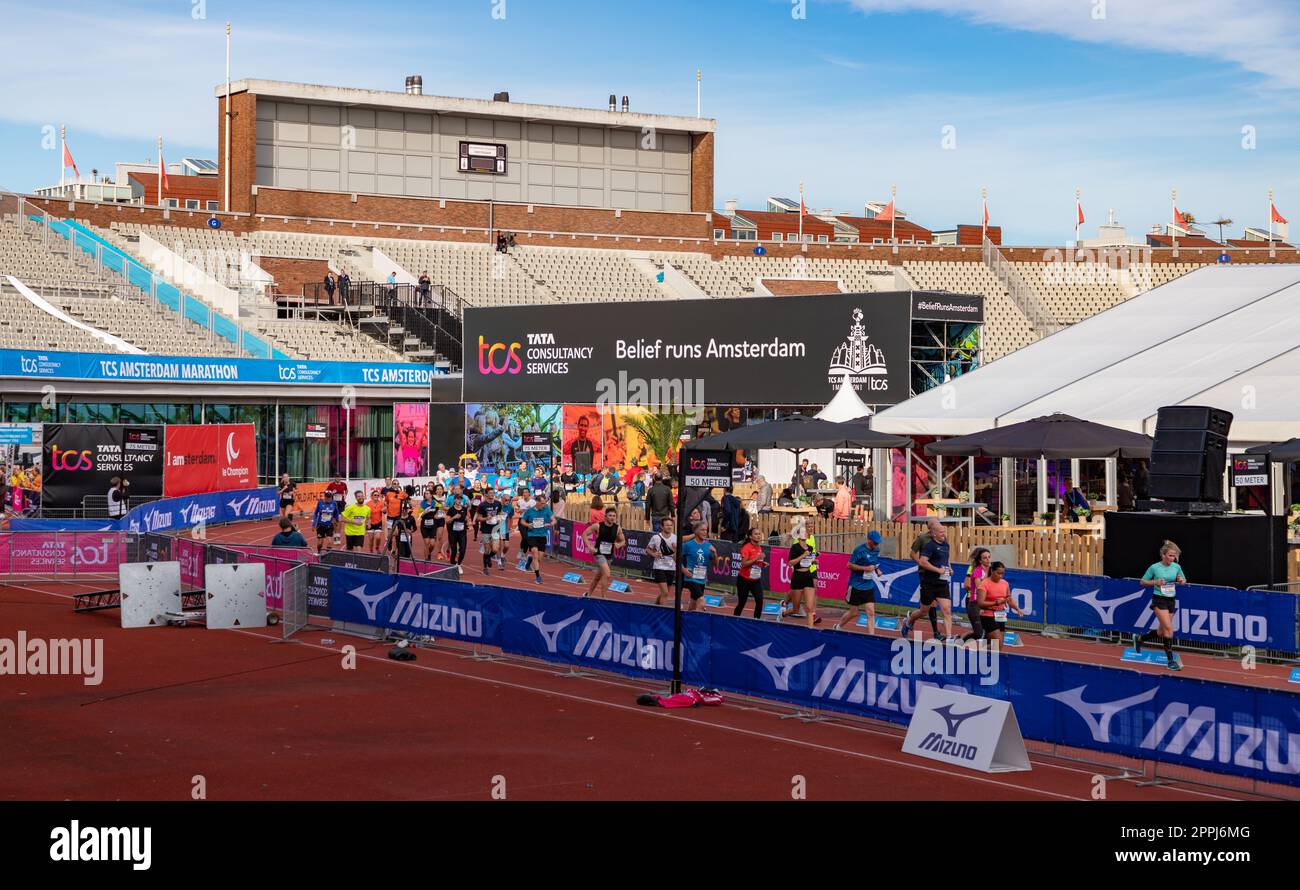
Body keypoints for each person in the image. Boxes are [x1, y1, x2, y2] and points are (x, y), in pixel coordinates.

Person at [1135, 540, 1187, 671]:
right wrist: (1155, 582)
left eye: (1174, 556)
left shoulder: (1176, 567)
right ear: (1163, 555)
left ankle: (1140, 638)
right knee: (1169, 629)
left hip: (1171, 600)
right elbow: (1142, 582)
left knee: (1161, 631)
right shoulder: (1154, 567)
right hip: (1159, 600)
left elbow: (1183, 579)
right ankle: (1170, 662)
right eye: (1170, 555)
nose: (1172, 558)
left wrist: (1181, 580)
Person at [900, 519, 954, 641]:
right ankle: (909, 620)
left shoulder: (944, 542)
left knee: (946, 609)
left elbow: (946, 558)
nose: (943, 533)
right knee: (925, 609)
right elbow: (914, 555)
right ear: (931, 530)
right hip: (927, 577)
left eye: (943, 531)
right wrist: (923, 564)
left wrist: (949, 569)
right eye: (940, 531)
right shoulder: (923, 540)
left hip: (942, 580)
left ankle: (947, 636)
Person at [836, 530, 883, 633]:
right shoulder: (859, 550)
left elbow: (874, 563)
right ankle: (839, 626)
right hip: (856, 585)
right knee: (854, 613)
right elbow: (849, 565)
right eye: (874, 542)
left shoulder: (876, 550)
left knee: (871, 612)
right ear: (869, 540)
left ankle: (872, 637)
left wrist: (877, 569)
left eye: (877, 543)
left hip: (868, 586)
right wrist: (865, 568)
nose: (876, 545)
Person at [780, 519, 821, 627]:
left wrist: (814, 560)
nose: (807, 532)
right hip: (798, 575)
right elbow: (790, 563)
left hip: (808, 574)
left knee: (809, 607)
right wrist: (803, 556)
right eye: (804, 531)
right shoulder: (795, 546)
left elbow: (809, 558)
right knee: (796, 609)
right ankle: (783, 612)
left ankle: (810, 629)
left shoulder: (811, 544)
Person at [975, 562, 1023, 650]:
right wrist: (996, 603)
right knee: (998, 643)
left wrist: (1017, 609)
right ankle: (979, 653)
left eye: (1002, 573)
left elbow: (1009, 599)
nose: (1000, 576)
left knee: (998, 646)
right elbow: (980, 603)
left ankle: (983, 654)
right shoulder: (984, 584)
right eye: (998, 573)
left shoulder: (1005, 583)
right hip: (988, 614)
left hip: (1001, 614)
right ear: (992, 571)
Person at [581, 507, 625, 599]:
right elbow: (584, 534)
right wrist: (589, 546)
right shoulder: (598, 526)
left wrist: (618, 544)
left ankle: (588, 594)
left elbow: (623, 541)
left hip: (609, 555)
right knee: (607, 574)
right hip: (599, 553)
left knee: (598, 576)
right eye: (610, 516)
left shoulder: (617, 528)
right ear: (605, 517)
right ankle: (604, 598)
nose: (612, 518)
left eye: (614, 516)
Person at [681, 522, 721, 612]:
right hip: (691, 578)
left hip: (701, 579)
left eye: (706, 530)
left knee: (693, 604)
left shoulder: (708, 546)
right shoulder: (688, 545)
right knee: (701, 602)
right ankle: (697, 624)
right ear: (695, 531)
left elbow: (716, 565)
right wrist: (683, 570)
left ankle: (686, 620)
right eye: (702, 530)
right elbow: (675, 557)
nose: (704, 532)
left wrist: (715, 554)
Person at [734, 526, 768, 619]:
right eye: (756, 534)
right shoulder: (746, 548)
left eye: (759, 534)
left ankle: (756, 621)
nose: (758, 536)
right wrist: (756, 558)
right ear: (750, 537)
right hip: (744, 580)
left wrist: (762, 563)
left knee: (759, 601)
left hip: (755, 580)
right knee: (742, 602)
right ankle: (735, 619)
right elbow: (744, 564)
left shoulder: (759, 547)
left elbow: (755, 562)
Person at [520, 496, 553, 584]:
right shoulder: (529, 511)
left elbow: (554, 520)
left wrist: (549, 524)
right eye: (542, 503)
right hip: (532, 535)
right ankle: (538, 576)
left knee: (539, 558)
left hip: (542, 536)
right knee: (535, 554)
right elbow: (522, 521)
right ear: (537, 502)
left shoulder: (546, 510)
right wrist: (527, 525)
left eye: (544, 503)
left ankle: (530, 559)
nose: (544, 504)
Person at [962, 547, 992, 643]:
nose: (988, 559)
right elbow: (967, 585)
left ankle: (987, 655)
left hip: (987, 603)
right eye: (985, 557)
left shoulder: (992, 570)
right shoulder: (975, 569)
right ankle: (960, 642)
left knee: (990, 633)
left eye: (989, 557)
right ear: (979, 559)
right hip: (974, 601)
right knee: (979, 633)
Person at [646, 517, 677, 606]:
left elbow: (677, 556)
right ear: (662, 527)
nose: (669, 527)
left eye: (671, 525)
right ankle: (662, 612)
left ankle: (656, 606)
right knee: (665, 593)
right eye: (667, 525)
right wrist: (654, 554)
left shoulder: (675, 538)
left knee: (665, 592)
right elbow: (647, 549)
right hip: (659, 567)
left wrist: (676, 550)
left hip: (671, 568)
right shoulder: (656, 537)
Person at [476, 489, 505, 576]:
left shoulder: (498, 503)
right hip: (485, 530)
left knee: (495, 549)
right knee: (487, 550)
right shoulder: (482, 505)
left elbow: (500, 513)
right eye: (490, 493)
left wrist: (500, 518)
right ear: (486, 495)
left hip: (495, 529)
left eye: (493, 493)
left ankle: (488, 558)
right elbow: (478, 518)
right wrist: (486, 519)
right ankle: (485, 568)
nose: (492, 494)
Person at [446, 490, 469, 574]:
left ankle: (458, 564)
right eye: (458, 499)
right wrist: (454, 518)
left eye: (461, 499)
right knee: (454, 551)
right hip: (453, 533)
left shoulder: (464, 509)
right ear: (454, 500)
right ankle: (452, 564)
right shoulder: (451, 510)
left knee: (462, 550)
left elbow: (466, 518)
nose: (459, 501)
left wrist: (467, 521)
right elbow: (447, 521)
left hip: (462, 533)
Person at [312, 490, 341, 555]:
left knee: (329, 541)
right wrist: (314, 524)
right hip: (320, 525)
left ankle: (328, 555)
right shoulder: (320, 503)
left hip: (329, 525)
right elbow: (316, 514)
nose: (329, 499)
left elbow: (336, 513)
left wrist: (337, 521)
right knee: (320, 542)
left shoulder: (334, 503)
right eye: (327, 497)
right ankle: (319, 552)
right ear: (324, 497)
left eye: (330, 497)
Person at [365, 488, 386, 553]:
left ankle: (377, 547)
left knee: (378, 537)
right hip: (370, 523)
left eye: (377, 495)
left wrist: (384, 510)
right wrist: (367, 523)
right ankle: (371, 551)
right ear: (372, 496)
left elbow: (384, 512)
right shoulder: (368, 504)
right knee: (371, 539)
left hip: (378, 523)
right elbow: (365, 514)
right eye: (375, 495)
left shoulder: (381, 503)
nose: (376, 496)